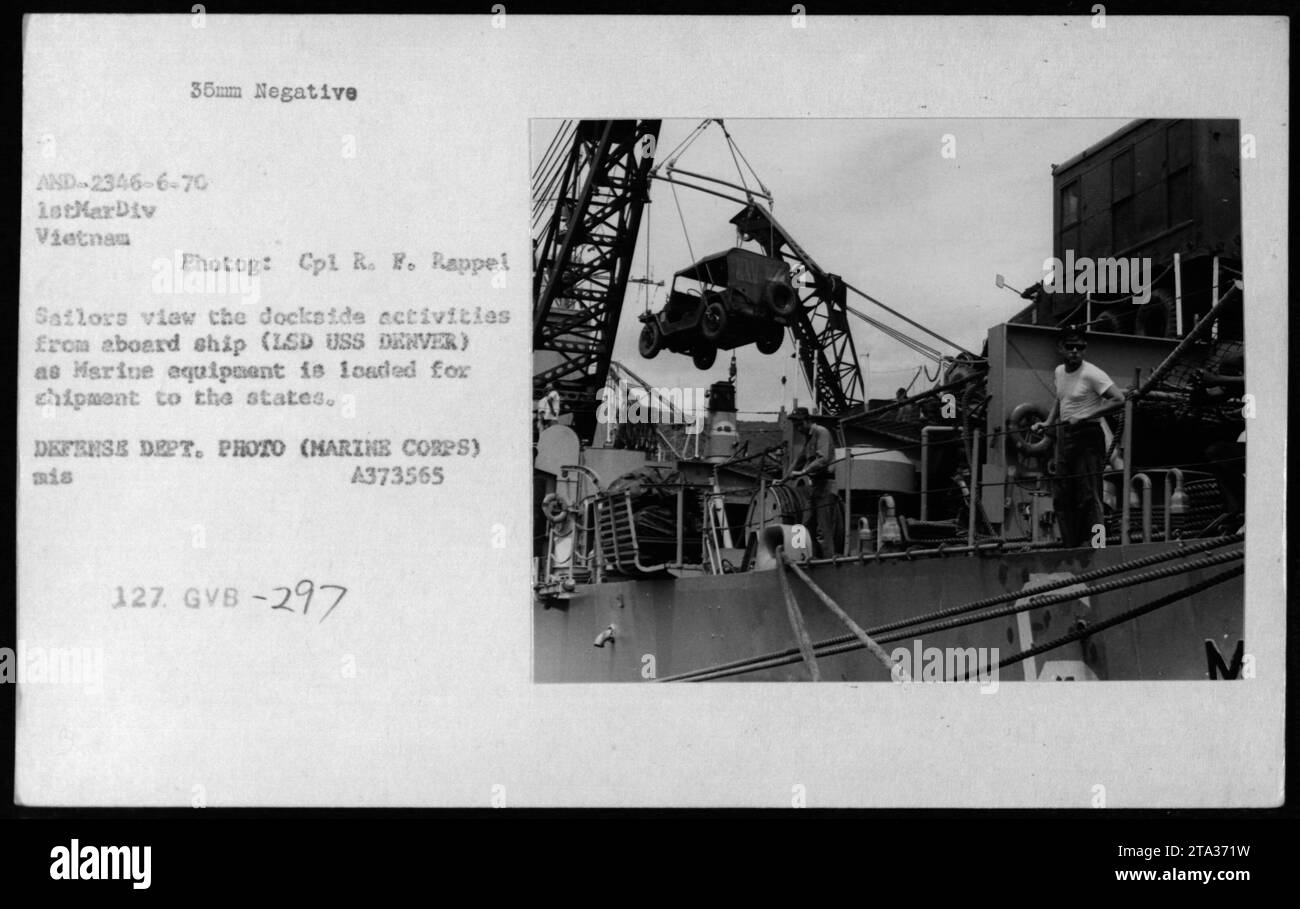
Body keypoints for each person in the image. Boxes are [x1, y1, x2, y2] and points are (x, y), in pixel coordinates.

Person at [1032, 326, 1126, 547]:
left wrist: (1085, 416)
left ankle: (1098, 545)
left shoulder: (1092, 373)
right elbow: (1060, 398)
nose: (1075, 350)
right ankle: (1070, 547)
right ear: (1060, 348)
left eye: (1080, 347)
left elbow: (1119, 399)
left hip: (1088, 437)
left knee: (1090, 496)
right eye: (1070, 346)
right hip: (1066, 436)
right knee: (1062, 496)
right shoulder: (1059, 372)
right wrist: (1048, 422)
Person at [783, 406, 841, 556]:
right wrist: (782, 480)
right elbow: (798, 461)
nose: (798, 428)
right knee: (803, 526)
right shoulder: (808, 440)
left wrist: (803, 472)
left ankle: (827, 564)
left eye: (800, 424)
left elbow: (823, 459)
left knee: (824, 530)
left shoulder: (821, 432)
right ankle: (804, 557)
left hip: (826, 486)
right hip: (814, 487)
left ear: (808, 420)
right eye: (796, 426)